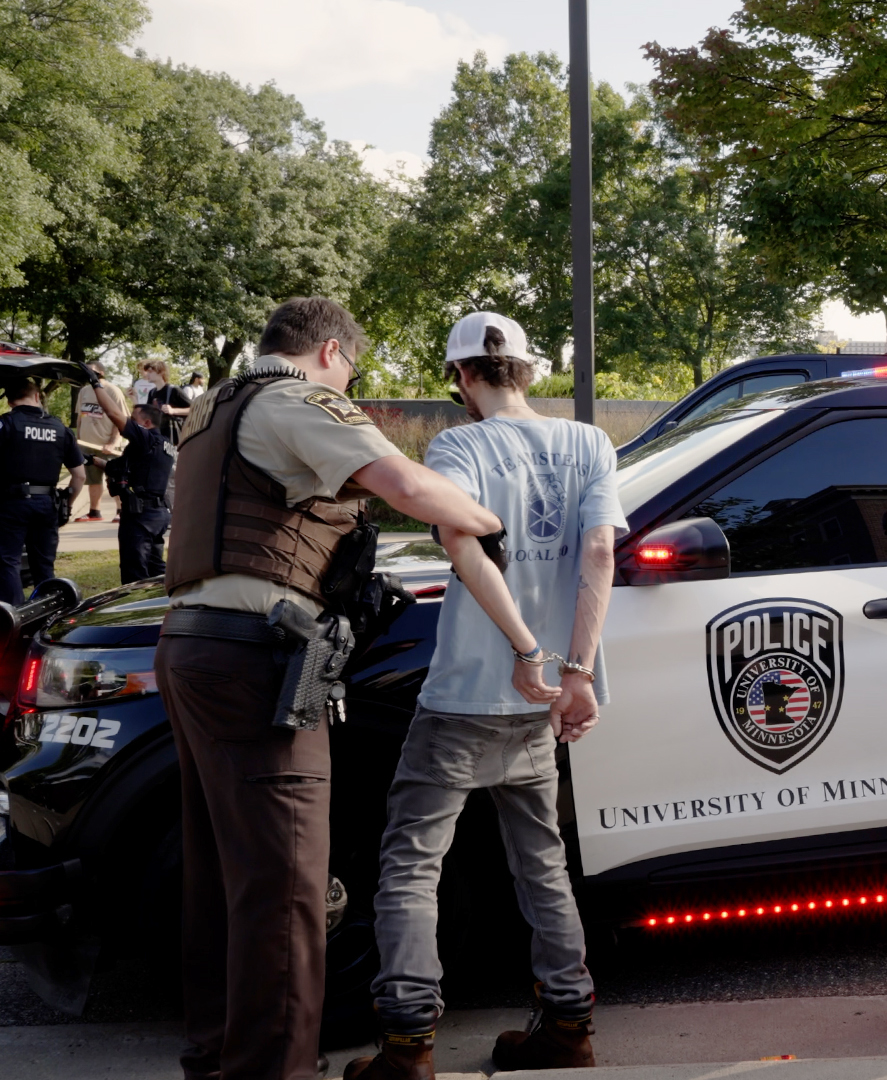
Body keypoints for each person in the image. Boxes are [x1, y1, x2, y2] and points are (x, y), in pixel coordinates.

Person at [156, 297, 502, 1080]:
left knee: (221, 879)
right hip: (260, 661)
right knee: (288, 890)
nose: (349, 387)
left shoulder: (214, 407)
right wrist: (486, 519)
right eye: (350, 371)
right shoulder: (298, 400)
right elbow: (403, 483)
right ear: (330, 354)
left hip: (194, 646)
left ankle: (217, 1059)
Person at [347, 313, 623, 1079]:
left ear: (463, 377)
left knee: (410, 864)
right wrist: (574, 670)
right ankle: (569, 1026)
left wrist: (523, 650)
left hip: (468, 690)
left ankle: (407, 1046)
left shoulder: (458, 446)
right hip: (543, 705)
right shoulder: (590, 444)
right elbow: (599, 550)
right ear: (528, 372)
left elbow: (461, 541)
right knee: (541, 860)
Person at [0, 377, 87, 605]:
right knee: (44, 564)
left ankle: (13, 615)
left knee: (7, 561)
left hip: (12, 503)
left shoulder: (6, 424)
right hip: (48, 503)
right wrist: (66, 503)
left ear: (10, 401)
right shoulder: (60, 428)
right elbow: (79, 475)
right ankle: (46, 612)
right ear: (37, 396)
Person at [105, 401, 174, 583]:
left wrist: (95, 383)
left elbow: (113, 412)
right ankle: (163, 602)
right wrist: (91, 460)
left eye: (133, 419)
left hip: (141, 515)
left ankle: (136, 608)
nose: (128, 422)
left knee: (134, 571)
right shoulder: (163, 444)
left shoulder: (147, 440)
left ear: (146, 423)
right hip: (157, 513)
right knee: (155, 567)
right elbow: (121, 467)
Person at [71, 361, 128, 523]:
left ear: (101, 372)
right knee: (92, 480)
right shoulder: (84, 391)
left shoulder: (113, 391)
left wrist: (113, 441)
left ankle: (121, 511)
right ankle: (94, 512)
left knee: (115, 479)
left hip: (108, 446)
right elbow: (80, 417)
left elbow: (120, 418)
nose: (88, 374)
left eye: (91, 371)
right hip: (88, 445)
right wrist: (79, 439)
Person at [140, 358, 194, 442]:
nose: (147, 374)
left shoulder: (174, 390)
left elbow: (194, 409)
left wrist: (173, 411)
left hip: (172, 438)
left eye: (150, 371)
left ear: (161, 372)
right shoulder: (152, 393)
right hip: (157, 437)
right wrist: (134, 398)